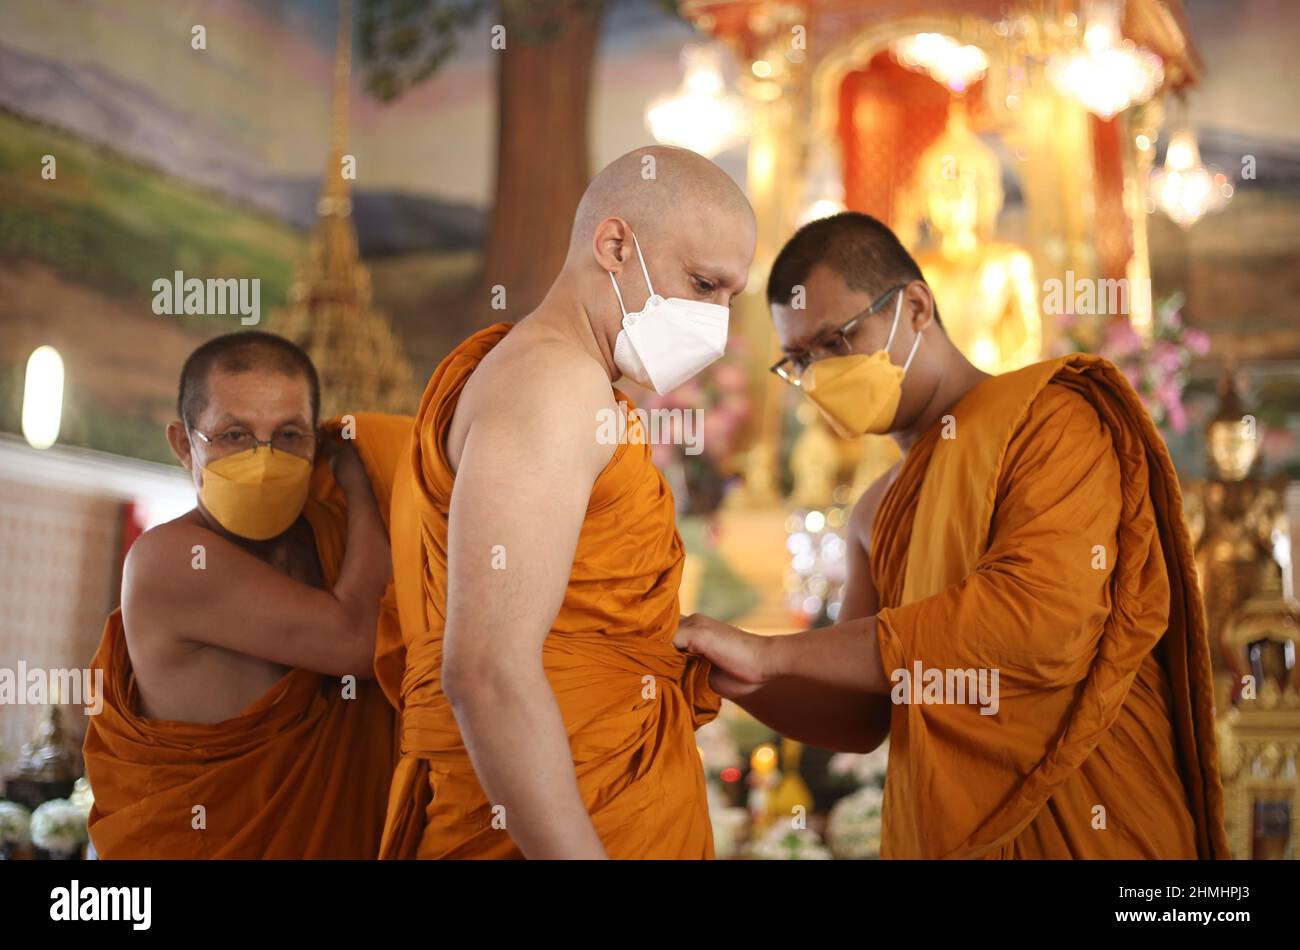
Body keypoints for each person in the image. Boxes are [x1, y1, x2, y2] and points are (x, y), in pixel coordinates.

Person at [675, 212, 1230, 859]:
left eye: (836, 341)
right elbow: (856, 717)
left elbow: (1036, 619)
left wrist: (772, 654)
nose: (821, 372)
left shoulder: (1051, 419)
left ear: (915, 306)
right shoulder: (876, 507)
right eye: (800, 359)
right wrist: (715, 673)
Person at [378, 145, 756, 859]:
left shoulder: (565, 381)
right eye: (704, 284)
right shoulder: (554, 385)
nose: (717, 322)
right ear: (615, 245)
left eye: (731, 298)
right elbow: (487, 670)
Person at [84, 331, 407, 858]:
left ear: (315, 443)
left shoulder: (331, 539)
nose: (263, 460)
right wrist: (361, 483)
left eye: (288, 436)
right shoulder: (170, 560)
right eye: (234, 435)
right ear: (184, 445)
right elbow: (360, 640)